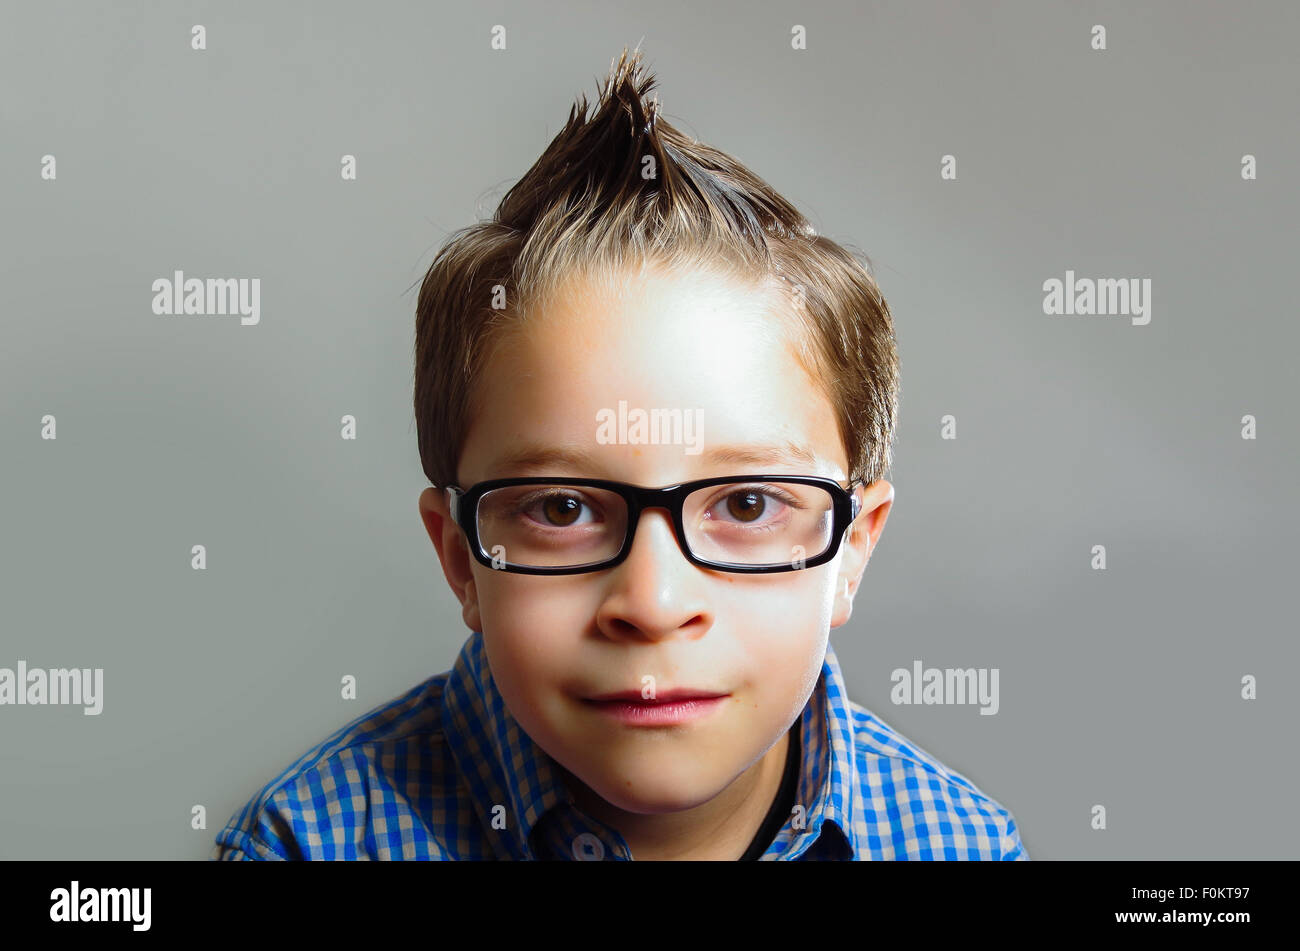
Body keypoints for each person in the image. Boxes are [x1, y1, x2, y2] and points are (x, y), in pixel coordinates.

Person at [212, 45, 1027, 861]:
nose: (653, 602)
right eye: (562, 508)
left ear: (852, 547)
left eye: (746, 503)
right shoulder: (302, 845)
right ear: (461, 559)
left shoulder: (964, 847)